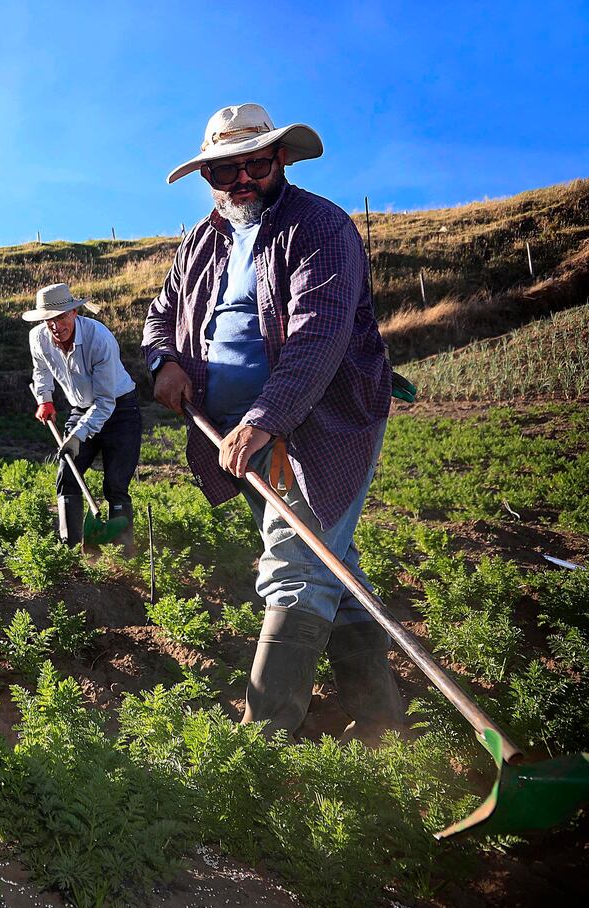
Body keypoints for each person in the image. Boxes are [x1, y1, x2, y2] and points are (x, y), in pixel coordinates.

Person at [142, 103, 405, 742]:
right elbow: (161, 311)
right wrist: (163, 363)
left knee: (295, 566)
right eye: (222, 171)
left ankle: (264, 746)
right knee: (331, 566)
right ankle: (382, 724)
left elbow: (319, 335)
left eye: (253, 165)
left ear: (279, 159)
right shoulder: (203, 238)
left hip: (318, 424)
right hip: (241, 426)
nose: (238, 182)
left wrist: (265, 415)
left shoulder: (320, 227)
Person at [24, 283, 140, 550]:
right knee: (68, 474)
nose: (55, 326)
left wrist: (78, 435)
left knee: (116, 483)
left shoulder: (99, 339)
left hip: (120, 410)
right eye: (49, 320)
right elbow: (40, 370)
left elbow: (105, 403)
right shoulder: (37, 338)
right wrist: (46, 400)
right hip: (80, 408)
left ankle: (123, 552)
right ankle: (72, 548)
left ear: (74, 312)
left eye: (61, 317)